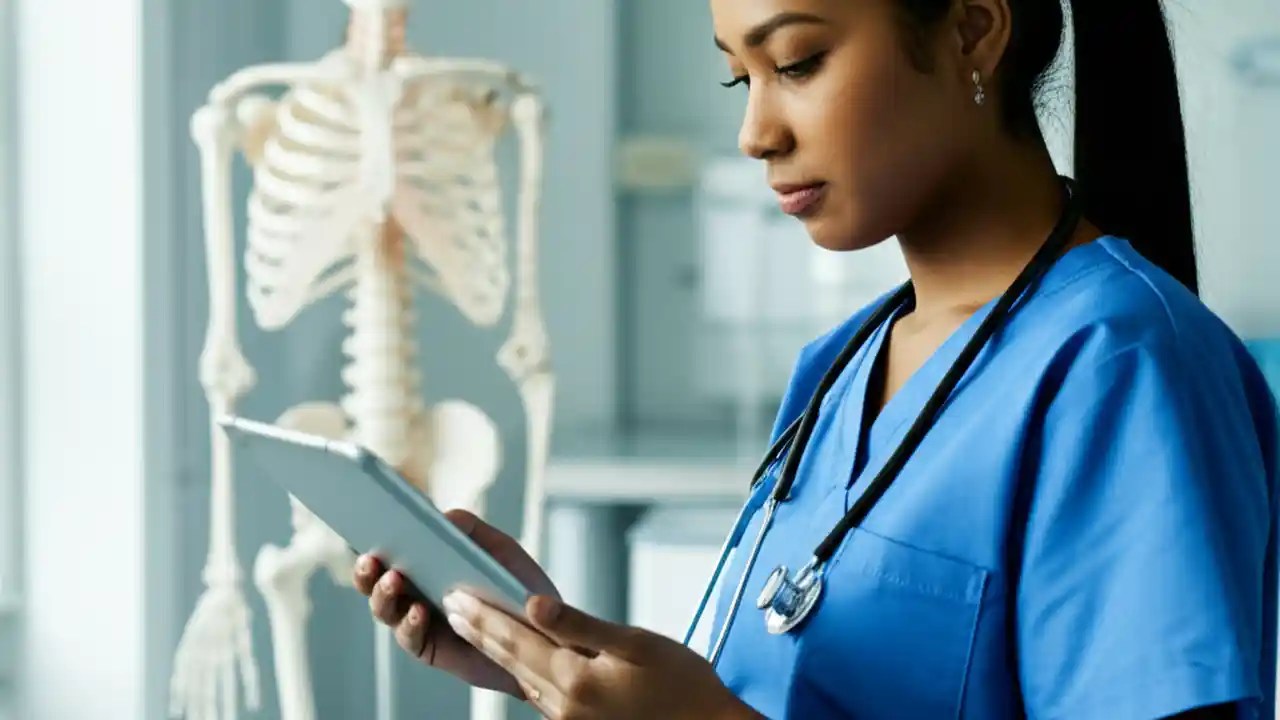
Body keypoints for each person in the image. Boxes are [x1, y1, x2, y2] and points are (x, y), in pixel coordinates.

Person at [353, 0, 1280, 717]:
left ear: (972, 30)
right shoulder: (842, 366)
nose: (756, 133)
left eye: (796, 62)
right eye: (740, 80)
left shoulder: (1125, 366)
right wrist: (548, 653)